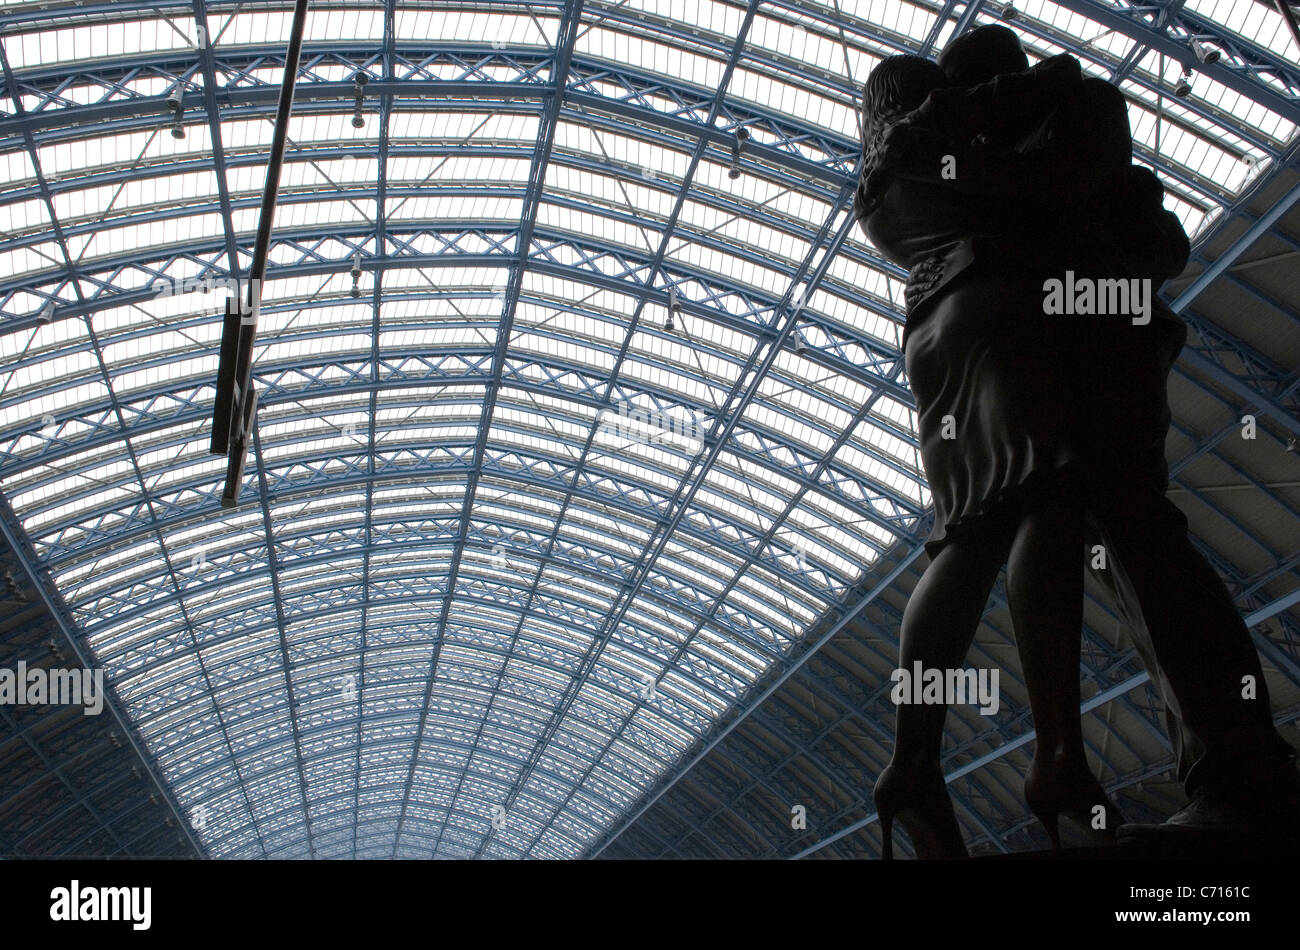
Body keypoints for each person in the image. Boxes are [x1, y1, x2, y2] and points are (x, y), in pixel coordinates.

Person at [855, 50, 1125, 857]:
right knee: (1049, 494)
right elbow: (1048, 187)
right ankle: (1057, 750)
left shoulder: (885, 184)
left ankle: (912, 765)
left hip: (935, 340)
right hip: (997, 314)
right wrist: (1050, 80)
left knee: (966, 534)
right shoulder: (928, 144)